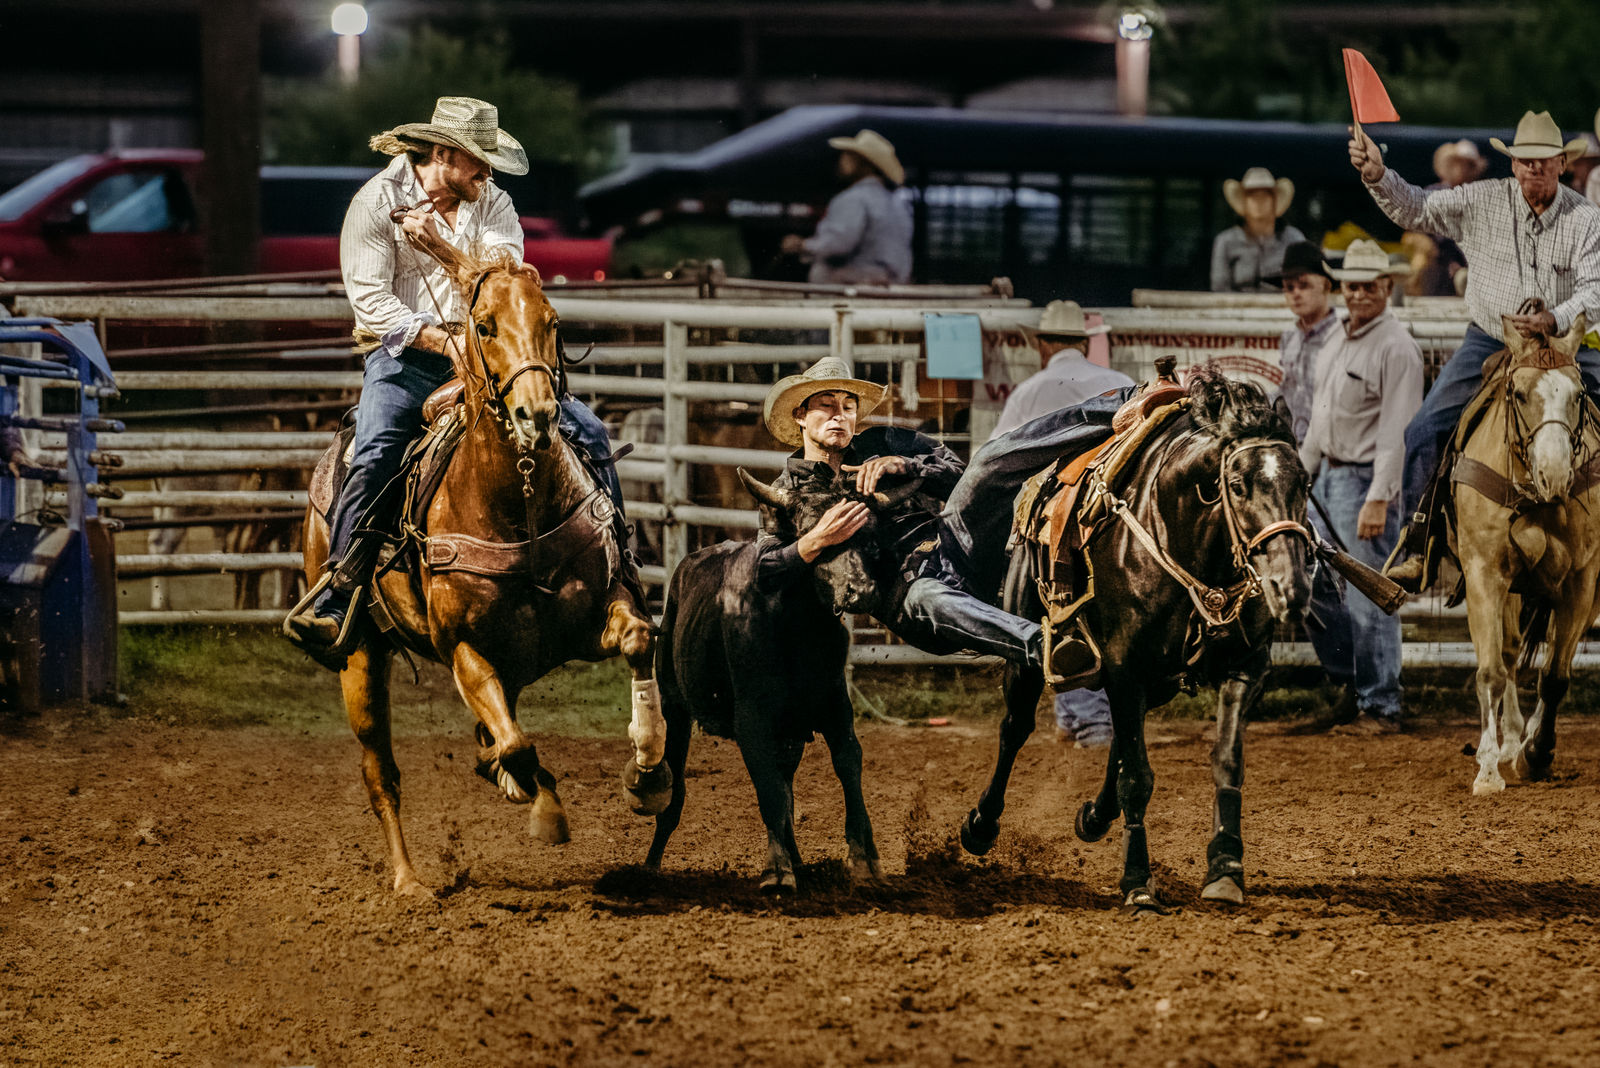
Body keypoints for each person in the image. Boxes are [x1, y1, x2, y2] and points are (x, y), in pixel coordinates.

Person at [287, 97, 624, 653]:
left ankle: (617, 571)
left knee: (589, 432)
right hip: (405, 362)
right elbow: (371, 303)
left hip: (489, 358)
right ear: (444, 153)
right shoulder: (376, 202)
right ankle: (338, 595)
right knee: (374, 452)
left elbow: (498, 275)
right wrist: (446, 339)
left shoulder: (492, 201)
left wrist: (441, 250)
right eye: (479, 161)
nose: (488, 174)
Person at [1349, 110, 1600, 589]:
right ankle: (1420, 543)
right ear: (1512, 165)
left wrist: (1555, 317)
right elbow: (1416, 209)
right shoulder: (1482, 201)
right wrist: (1378, 174)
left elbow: (1595, 288)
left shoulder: (1587, 219)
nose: (1534, 170)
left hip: (1564, 345)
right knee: (1424, 429)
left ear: (1563, 164)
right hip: (1490, 336)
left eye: (1545, 162)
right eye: (1525, 161)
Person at [753, 358, 1080, 680]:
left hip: (958, 548)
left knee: (989, 460)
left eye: (848, 407)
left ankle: (1121, 408)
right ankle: (1049, 648)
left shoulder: (885, 442)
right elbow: (764, 572)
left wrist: (908, 465)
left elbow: (963, 479)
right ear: (800, 415)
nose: (839, 415)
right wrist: (816, 540)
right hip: (910, 597)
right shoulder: (785, 494)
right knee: (928, 597)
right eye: (825, 405)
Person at [993, 299, 1131, 747]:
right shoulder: (1119, 383)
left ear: (1044, 343)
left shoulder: (1032, 390)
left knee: (1059, 608)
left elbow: (997, 454)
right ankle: (1083, 716)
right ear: (1084, 342)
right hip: (1116, 514)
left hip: (1058, 522)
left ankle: (1088, 720)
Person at [1299, 240, 1423, 733]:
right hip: (1326, 474)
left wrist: (1379, 497)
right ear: (1342, 287)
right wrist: (1301, 476)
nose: (1360, 293)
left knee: (1369, 594)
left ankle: (1380, 705)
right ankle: (1354, 687)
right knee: (1309, 582)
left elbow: (1398, 431)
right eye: (1352, 284)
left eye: (1370, 285)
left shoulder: (1397, 347)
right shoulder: (1337, 337)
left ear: (1387, 288)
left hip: (1362, 480)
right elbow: (1317, 422)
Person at [1268, 241, 1357, 717]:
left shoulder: (1340, 336)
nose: (1295, 293)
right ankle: (1343, 678)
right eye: (1289, 286)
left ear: (1326, 285)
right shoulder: (1293, 337)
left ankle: (1350, 680)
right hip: (1300, 467)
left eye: (1303, 284)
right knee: (1315, 571)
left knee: (1330, 571)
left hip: (1330, 462)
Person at [780, 130, 913, 285]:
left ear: (863, 162)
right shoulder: (897, 202)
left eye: (849, 156)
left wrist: (802, 245)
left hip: (861, 283)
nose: (842, 160)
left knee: (821, 272)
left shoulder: (854, 198)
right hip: (895, 282)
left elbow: (839, 244)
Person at [1210, 167, 1306, 293]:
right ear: (1244, 201)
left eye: (1264, 196)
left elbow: (1304, 282)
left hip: (1283, 309)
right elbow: (1219, 287)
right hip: (1235, 309)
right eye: (1252, 197)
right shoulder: (1225, 241)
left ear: (1274, 201)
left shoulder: (1294, 239)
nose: (1258, 202)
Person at [1414, 140, 1487, 297]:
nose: (1462, 169)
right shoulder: (1433, 193)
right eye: (1458, 164)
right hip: (1438, 261)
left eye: (1468, 165)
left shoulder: (1479, 197)